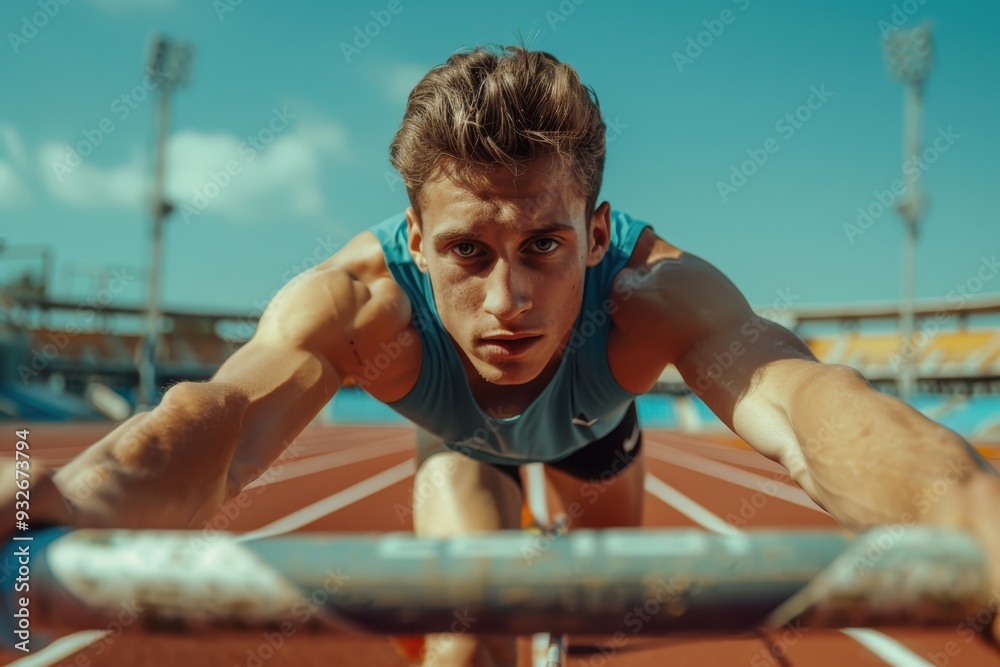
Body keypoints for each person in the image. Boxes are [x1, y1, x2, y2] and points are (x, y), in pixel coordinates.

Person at [3, 45, 999, 667]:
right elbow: (210, 431)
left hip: (597, 441)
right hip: (460, 446)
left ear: (598, 231)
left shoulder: (657, 294)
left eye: (544, 246)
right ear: (414, 233)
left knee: (599, 621)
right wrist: (48, 505)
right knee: (465, 638)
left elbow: (807, 406)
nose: (508, 300)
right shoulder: (361, 305)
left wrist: (971, 515)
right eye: (468, 253)